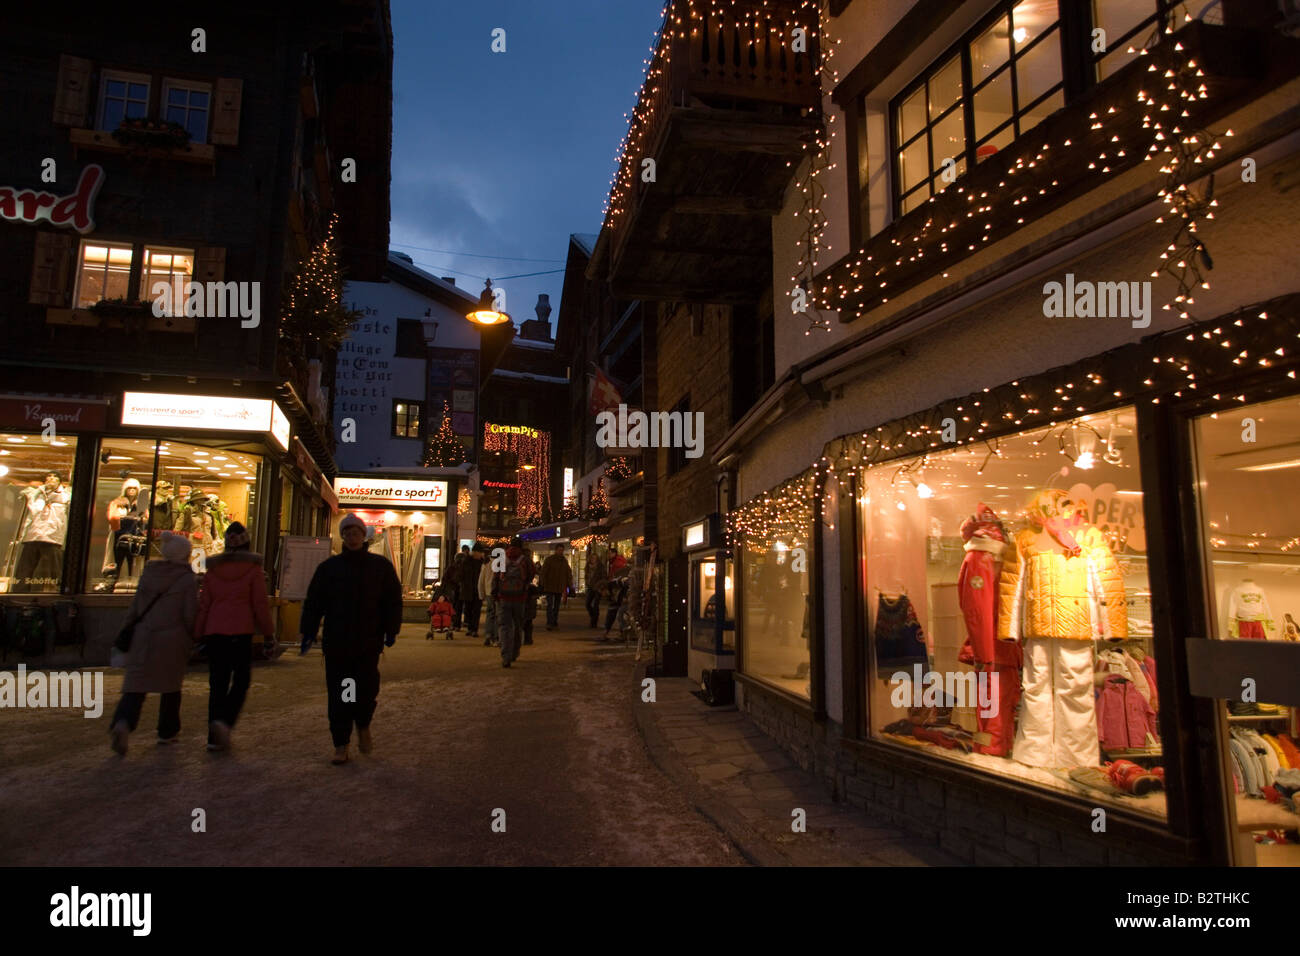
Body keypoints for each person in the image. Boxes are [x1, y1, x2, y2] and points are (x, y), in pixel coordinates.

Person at [299, 513, 403, 765]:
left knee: (366, 691)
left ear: (363, 536)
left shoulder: (379, 567)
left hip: (367, 643)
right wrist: (309, 630)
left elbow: (392, 601)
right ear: (343, 536)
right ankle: (341, 742)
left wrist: (391, 629)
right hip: (338, 643)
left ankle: (363, 724)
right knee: (342, 693)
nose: (352, 537)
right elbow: (314, 602)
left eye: (356, 533)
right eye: (347, 533)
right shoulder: (330, 568)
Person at [108, 532, 199, 755]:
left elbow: (135, 608)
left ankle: (123, 722)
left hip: (143, 635)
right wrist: (193, 637)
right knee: (171, 688)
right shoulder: (187, 579)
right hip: (172, 638)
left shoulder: (149, 574)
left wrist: (125, 632)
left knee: (136, 686)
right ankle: (167, 732)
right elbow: (190, 614)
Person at [194, 521, 273, 752]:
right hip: (241, 632)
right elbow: (260, 605)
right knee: (241, 680)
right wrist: (268, 634)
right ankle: (225, 722)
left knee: (217, 683)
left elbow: (204, 605)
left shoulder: (213, 570)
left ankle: (213, 737)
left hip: (214, 632)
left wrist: (198, 633)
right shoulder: (253, 570)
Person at [13, 472, 70, 593]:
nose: (51, 479)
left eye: (55, 477)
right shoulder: (36, 494)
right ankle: (19, 592)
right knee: (25, 569)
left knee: (52, 570)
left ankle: (53, 592)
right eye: (49, 476)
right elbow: (31, 505)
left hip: (52, 537)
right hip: (33, 535)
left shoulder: (65, 496)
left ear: (60, 482)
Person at [493, 536, 534, 667]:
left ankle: (505, 656)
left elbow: (495, 578)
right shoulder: (525, 560)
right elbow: (531, 575)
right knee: (517, 626)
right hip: (519, 597)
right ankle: (515, 652)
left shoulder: (501, 558)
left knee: (504, 626)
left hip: (504, 597)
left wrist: (496, 593)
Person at [539, 544, 572, 630]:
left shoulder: (564, 561)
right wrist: (543, 583)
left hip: (559, 586)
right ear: (556, 550)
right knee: (550, 605)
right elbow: (543, 572)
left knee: (556, 605)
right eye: (559, 550)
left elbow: (568, 573)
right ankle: (550, 622)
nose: (561, 552)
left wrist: (569, 584)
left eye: (562, 550)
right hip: (550, 585)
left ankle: (554, 621)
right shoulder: (549, 560)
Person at [461, 545, 485, 637]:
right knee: (468, 610)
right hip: (468, 589)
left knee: (476, 610)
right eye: (479, 552)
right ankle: (470, 628)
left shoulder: (482, 562)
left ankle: (474, 629)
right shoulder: (467, 561)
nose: (480, 554)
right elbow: (462, 574)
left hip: (477, 590)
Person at [585, 546, 608, 629]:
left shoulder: (600, 567)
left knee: (596, 605)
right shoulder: (588, 566)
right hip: (590, 587)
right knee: (587, 604)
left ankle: (594, 622)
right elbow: (586, 576)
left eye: (595, 558)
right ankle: (593, 617)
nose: (593, 559)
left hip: (598, 588)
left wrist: (601, 586)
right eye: (592, 558)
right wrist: (587, 583)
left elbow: (604, 577)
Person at [479, 547, 498, 646]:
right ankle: (495, 637)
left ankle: (488, 635)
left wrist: (481, 593)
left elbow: (481, 580)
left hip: (488, 592)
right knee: (497, 615)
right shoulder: (500, 563)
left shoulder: (486, 563)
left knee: (490, 613)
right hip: (497, 592)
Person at [448, 544, 471, 628]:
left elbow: (447, 578)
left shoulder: (452, 567)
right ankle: (463, 622)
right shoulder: (466, 568)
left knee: (455, 606)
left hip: (454, 590)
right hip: (463, 590)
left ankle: (455, 624)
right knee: (462, 606)